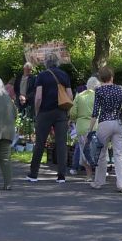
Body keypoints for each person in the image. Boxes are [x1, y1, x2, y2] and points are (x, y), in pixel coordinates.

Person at [27, 54, 72, 183]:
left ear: (45, 63)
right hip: (61, 112)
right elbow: (69, 95)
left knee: (40, 143)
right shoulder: (64, 75)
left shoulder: (42, 76)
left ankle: (33, 174)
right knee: (61, 143)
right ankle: (61, 176)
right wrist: (67, 111)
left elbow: (39, 97)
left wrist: (37, 112)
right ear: (57, 62)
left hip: (45, 112)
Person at [91, 67, 122, 193]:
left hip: (104, 123)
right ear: (112, 77)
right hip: (119, 123)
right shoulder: (119, 89)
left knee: (101, 153)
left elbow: (95, 112)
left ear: (100, 78)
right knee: (119, 154)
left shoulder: (99, 90)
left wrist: (90, 129)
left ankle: (99, 182)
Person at [71, 77, 99, 179]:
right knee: (97, 152)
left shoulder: (79, 96)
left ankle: (89, 175)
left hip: (82, 127)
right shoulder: (97, 96)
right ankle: (98, 176)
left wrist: (75, 118)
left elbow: (73, 113)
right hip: (96, 126)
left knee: (84, 151)